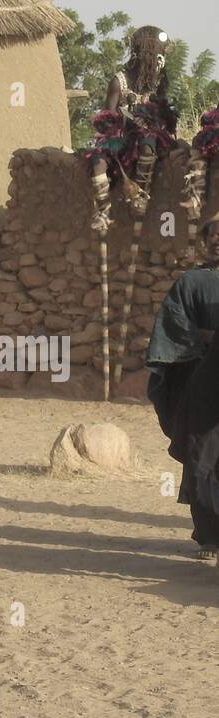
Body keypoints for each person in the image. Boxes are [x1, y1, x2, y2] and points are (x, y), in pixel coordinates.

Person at [146, 212, 219, 561]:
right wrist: (206, 343)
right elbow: (173, 330)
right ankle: (209, 535)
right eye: (214, 234)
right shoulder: (191, 283)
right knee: (201, 457)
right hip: (202, 387)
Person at [84, 26, 179, 233]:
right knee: (99, 163)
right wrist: (123, 124)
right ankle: (103, 212)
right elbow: (108, 117)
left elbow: (164, 115)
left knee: (148, 146)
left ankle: (139, 198)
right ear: (142, 56)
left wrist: (154, 123)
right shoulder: (119, 82)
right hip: (120, 138)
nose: (157, 62)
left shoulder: (159, 83)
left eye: (159, 57)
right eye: (153, 56)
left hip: (148, 138)